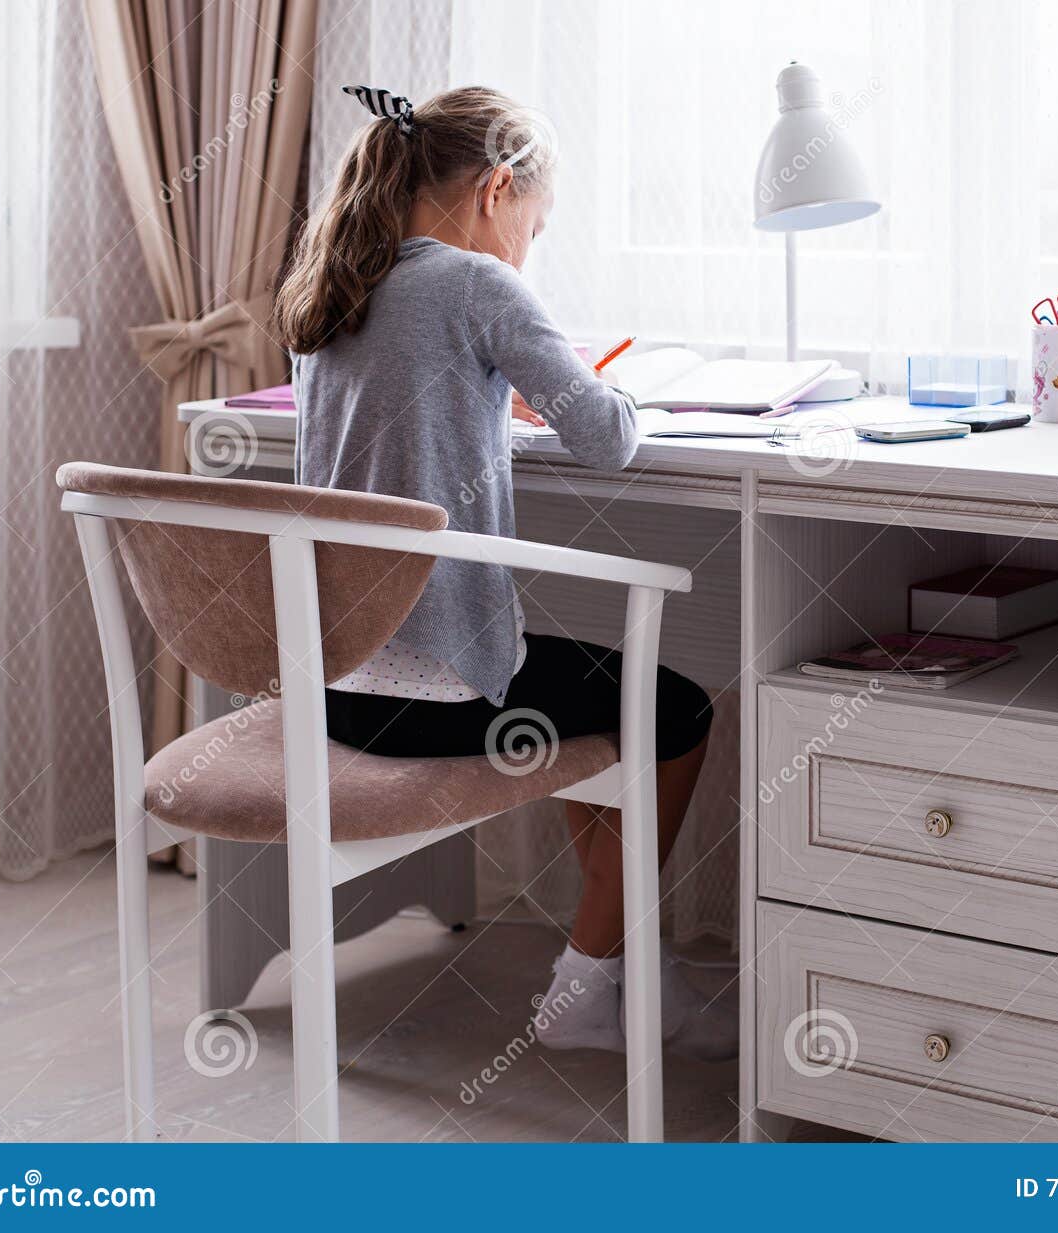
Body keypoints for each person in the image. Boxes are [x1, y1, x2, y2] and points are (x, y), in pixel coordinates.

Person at [272, 84, 734, 1061]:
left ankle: (611, 968)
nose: (530, 242)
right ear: (495, 190)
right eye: (536, 220)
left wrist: (491, 411)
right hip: (436, 695)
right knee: (680, 711)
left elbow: (403, 422)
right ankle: (585, 990)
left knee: (587, 698)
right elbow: (606, 438)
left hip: (342, 685)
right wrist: (603, 387)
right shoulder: (477, 284)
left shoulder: (331, 286)